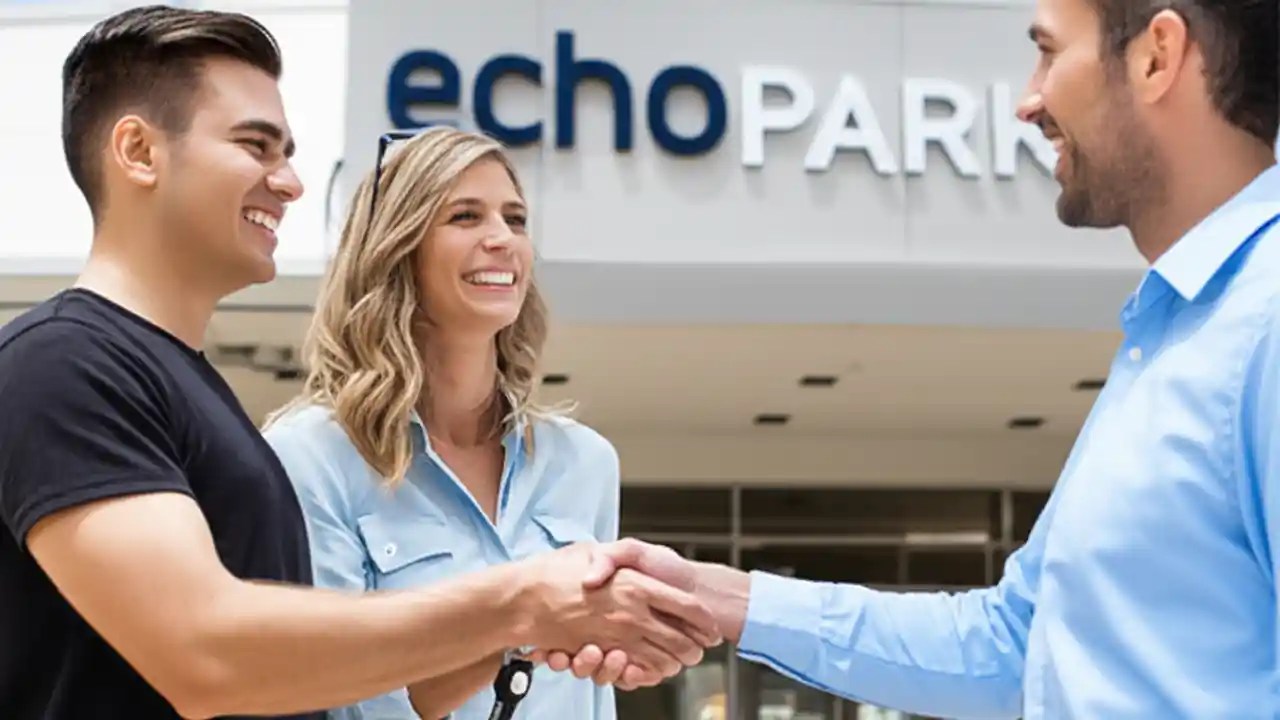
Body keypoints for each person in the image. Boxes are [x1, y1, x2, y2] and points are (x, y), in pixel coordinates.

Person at [553, 0, 1280, 717]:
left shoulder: (1263, 323)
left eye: (1050, 51)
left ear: (1157, 55)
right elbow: (1013, 645)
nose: (1029, 101)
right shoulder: (1175, 333)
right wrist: (716, 598)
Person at [0, 6, 718, 720]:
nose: (290, 182)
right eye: (256, 146)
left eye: (286, 153)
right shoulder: (63, 367)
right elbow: (204, 654)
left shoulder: (189, 390)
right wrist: (523, 601)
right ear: (139, 151)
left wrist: (529, 628)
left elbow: (294, 665)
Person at [261, 126, 631, 719]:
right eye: (465, 217)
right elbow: (344, 695)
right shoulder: (310, 456)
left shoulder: (584, 463)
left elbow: (592, 698)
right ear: (397, 246)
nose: (502, 240)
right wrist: (524, 617)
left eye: (515, 219)